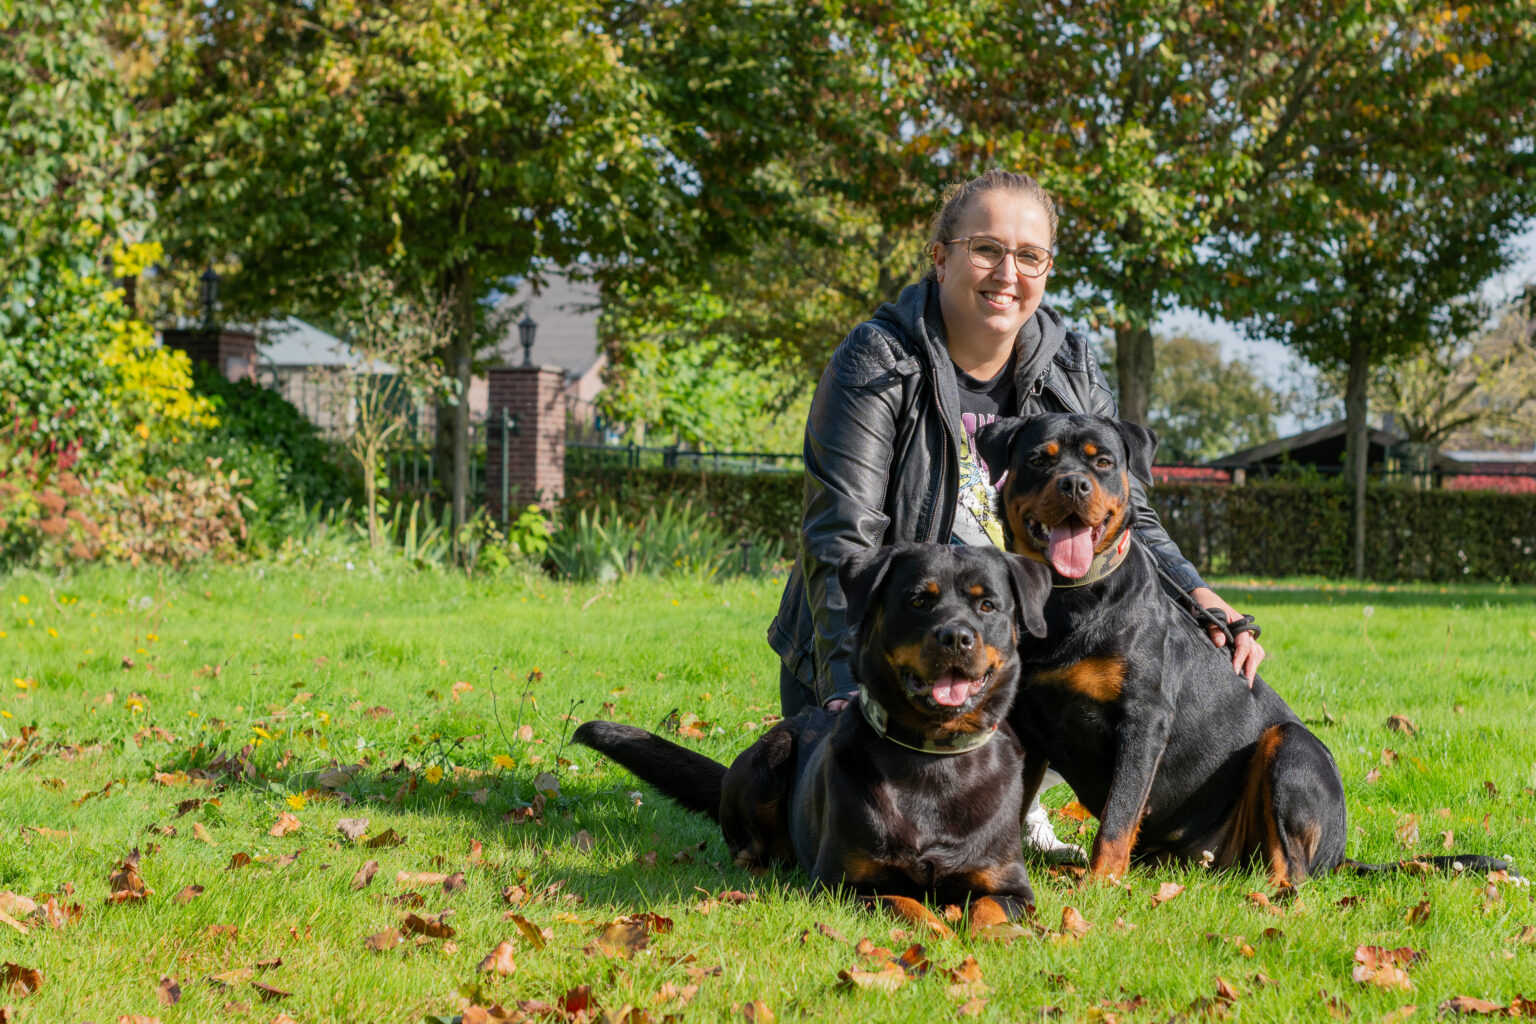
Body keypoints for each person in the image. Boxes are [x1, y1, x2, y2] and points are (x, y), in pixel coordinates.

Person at [766, 169, 1264, 860]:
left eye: (1030, 256)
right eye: (985, 249)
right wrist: (847, 688)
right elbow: (840, 538)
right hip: (885, 654)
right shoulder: (878, 359)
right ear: (940, 258)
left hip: (996, 657)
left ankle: (1011, 801)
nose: (1008, 274)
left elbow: (1123, 514)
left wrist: (1200, 596)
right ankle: (1000, 800)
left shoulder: (1071, 364)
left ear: (1047, 271)